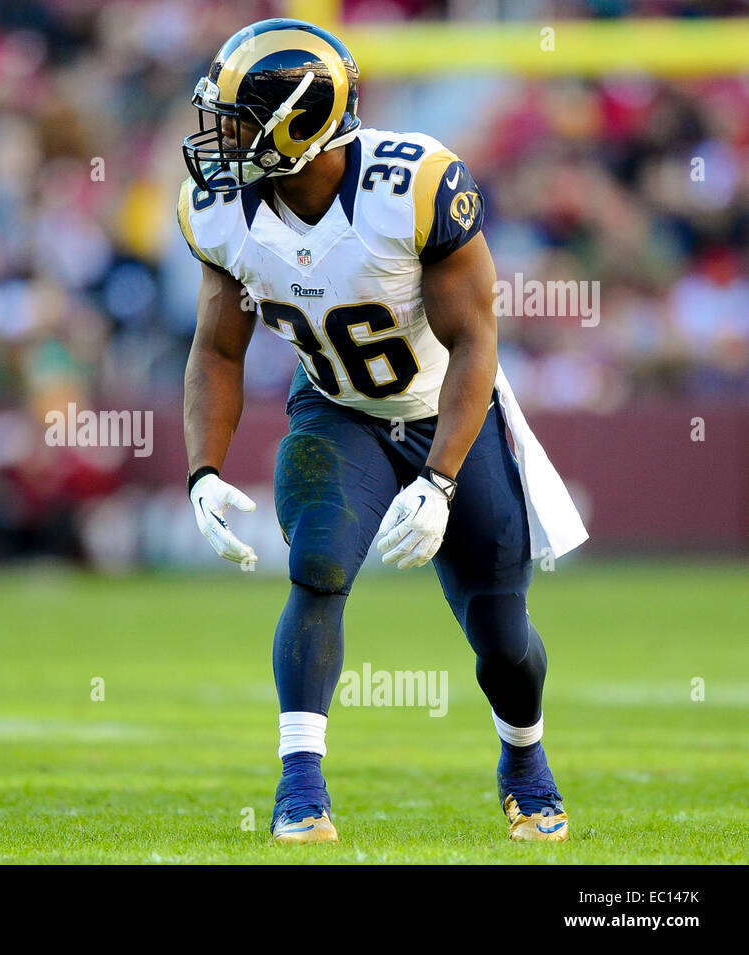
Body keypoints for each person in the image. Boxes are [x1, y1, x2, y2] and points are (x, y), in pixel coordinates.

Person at [178, 18, 588, 844]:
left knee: (504, 633)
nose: (220, 139)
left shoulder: (415, 185)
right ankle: (301, 784)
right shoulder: (222, 212)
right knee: (319, 562)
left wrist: (439, 479)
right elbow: (219, 348)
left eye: (239, 119)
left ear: (299, 121)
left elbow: (476, 341)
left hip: (446, 407)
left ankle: (524, 757)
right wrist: (203, 469)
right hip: (336, 408)